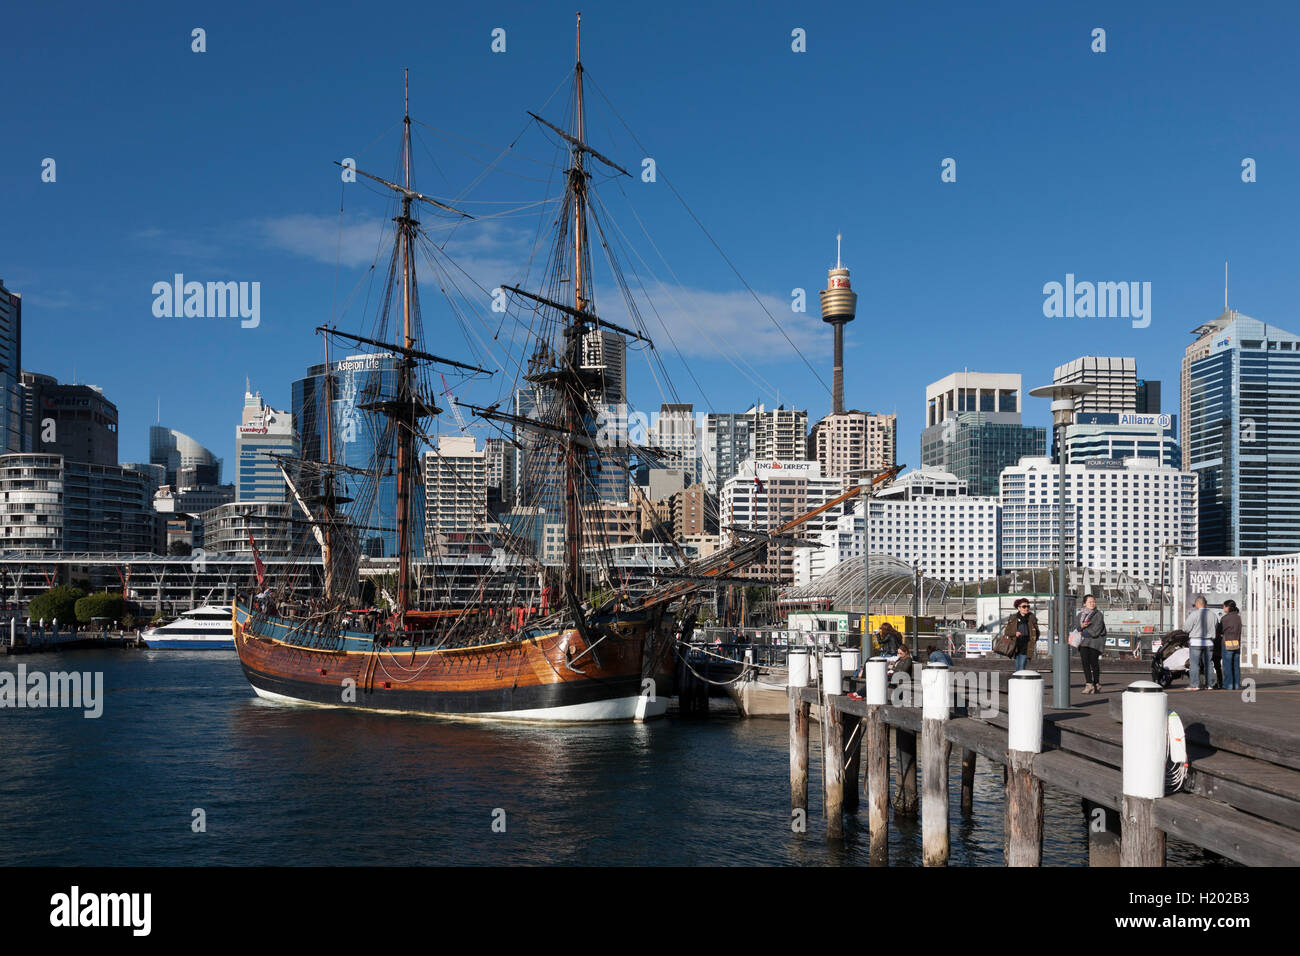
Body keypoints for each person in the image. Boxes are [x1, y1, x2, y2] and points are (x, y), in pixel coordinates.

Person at [1182, 594, 1218, 691]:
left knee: (1194, 664)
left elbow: (1186, 628)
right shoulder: (1213, 615)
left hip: (1196, 642)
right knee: (1209, 664)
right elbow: (1216, 627)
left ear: (1198, 604)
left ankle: (1195, 685)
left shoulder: (1194, 614)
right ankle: (1210, 684)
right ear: (1205, 604)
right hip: (1209, 643)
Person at [1076, 595, 1107, 695]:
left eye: (1093, 601)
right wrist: (1081, 627)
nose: (1092, 603)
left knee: (1094, 662)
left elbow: (1096, 630)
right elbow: (1076, 628)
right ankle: (1089, 684)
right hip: (1083, 642)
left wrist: (1083, 631)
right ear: (1084, 604)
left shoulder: (1098, 615)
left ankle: (1096, 683)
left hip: (1095, 642)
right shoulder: (1080, 615)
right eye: (1090, 602)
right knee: (1085, 662)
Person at [1004, 598, 1040, 672]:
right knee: (1017, 666)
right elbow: (1007, 632)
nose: (1026, 608)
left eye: (1028, 606)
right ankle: (1018, 681)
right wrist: (1015, 633)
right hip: (1015, 646)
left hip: (1026, 645)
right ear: (1018, 608)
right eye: (1024, 606)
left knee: (1022, 666)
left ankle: (1019, 680)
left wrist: (1033, 640)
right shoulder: (1013, 618)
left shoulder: (1031, 618)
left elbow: (1037, 632)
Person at [1218, 599, 1243, 691]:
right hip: (1236, 643)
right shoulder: (1238, 617)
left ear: (1228, 607)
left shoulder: (1225, 618)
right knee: (1236, 665)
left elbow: (1219, 630)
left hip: (1227, 643)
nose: (1223, 608)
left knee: (1227, 665)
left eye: (1224, 606)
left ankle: (1228, 684)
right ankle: (1236, 685)